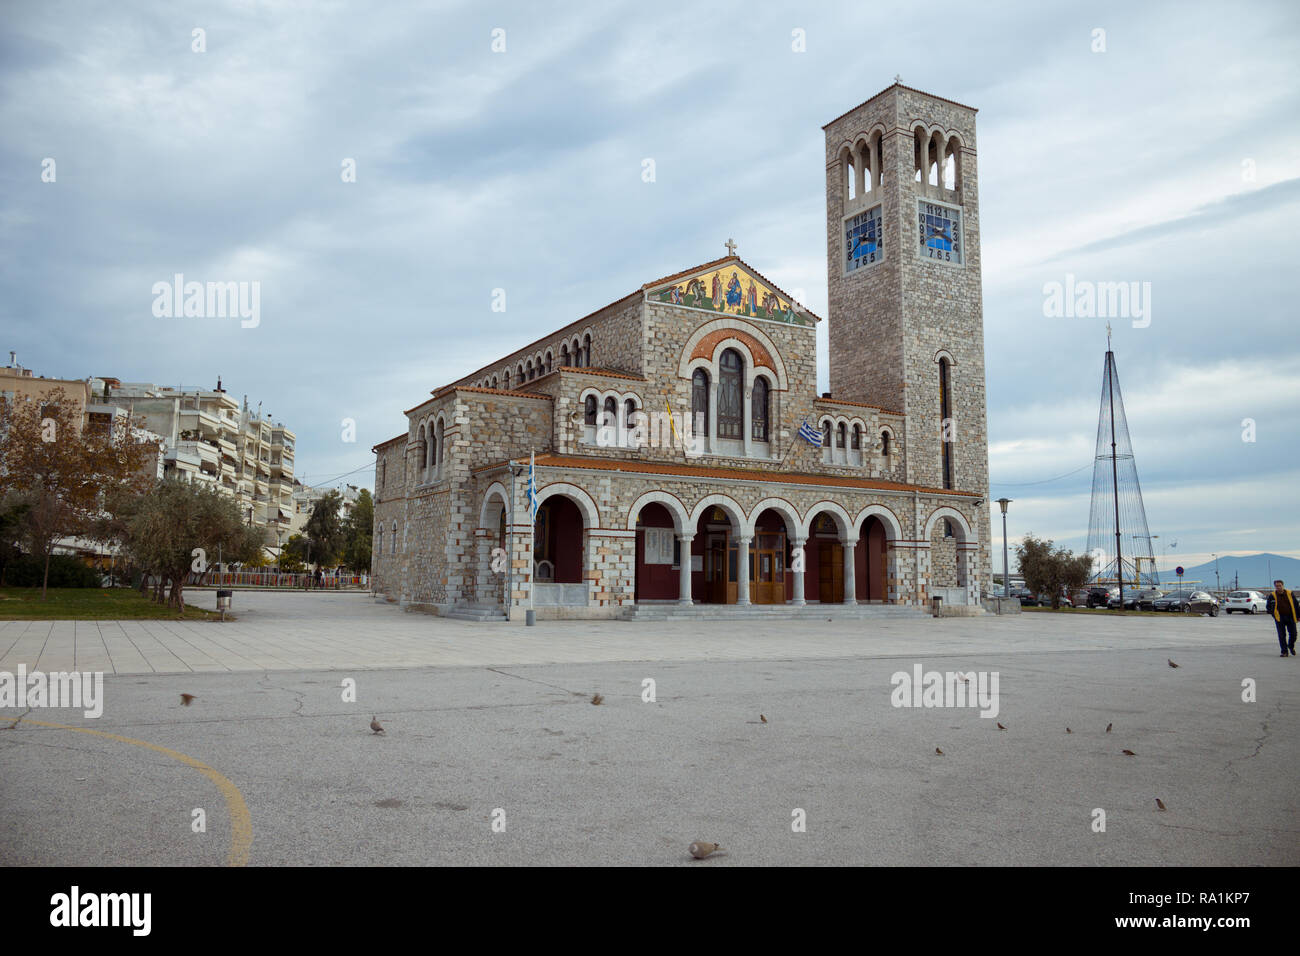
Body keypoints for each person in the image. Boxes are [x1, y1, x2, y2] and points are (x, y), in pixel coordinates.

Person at [1266, 579, 1299, 657]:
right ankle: (1284, 652)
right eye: (1277, 586)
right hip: (1279, 618)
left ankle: (1291, 646)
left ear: (1283, 586)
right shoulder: (1272, 595)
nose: (1278, 587)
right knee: (1281, 635)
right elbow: (1268, 606)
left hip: (1290, 616)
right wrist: (1273, 614)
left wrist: (1298, 616)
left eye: (1280, 586)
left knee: (1294, 634)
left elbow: (1296, 605)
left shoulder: (1290, 593)